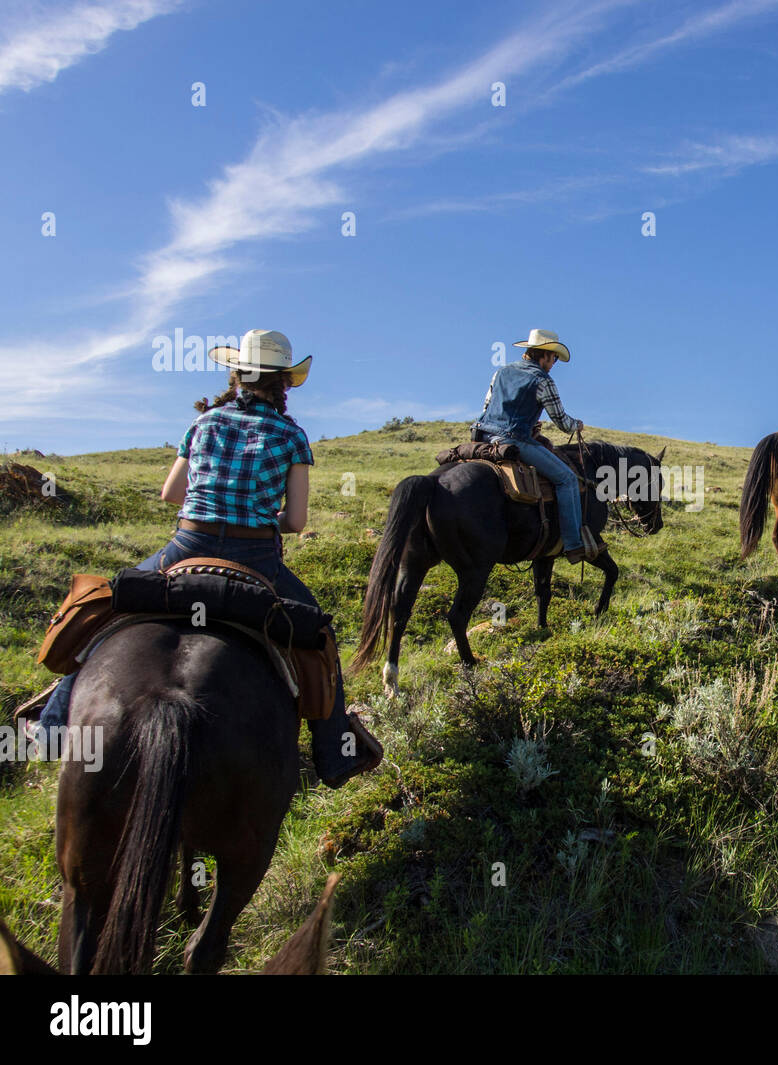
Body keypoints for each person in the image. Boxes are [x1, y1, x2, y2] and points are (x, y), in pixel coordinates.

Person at [21, 330, 382, 788]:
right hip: (257, 560)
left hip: (186, 549)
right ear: (284, 383)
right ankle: (333, 754)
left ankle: (52, 730)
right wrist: (253, 509)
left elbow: (171, 492)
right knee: (320, 636)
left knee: (102, 609)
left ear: (236, 375)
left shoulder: (204, 423)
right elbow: (294, 520)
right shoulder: (292, 435)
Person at [471, 328, 598, 563]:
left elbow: (488, 406)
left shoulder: (501, 372)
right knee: (567, 479)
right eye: (554, 358)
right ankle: (573, 544)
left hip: (481, 437)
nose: (554, 363)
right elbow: (561, 421)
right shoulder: (542, 380)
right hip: (513, 439)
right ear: (545, 355)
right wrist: (577, 425)